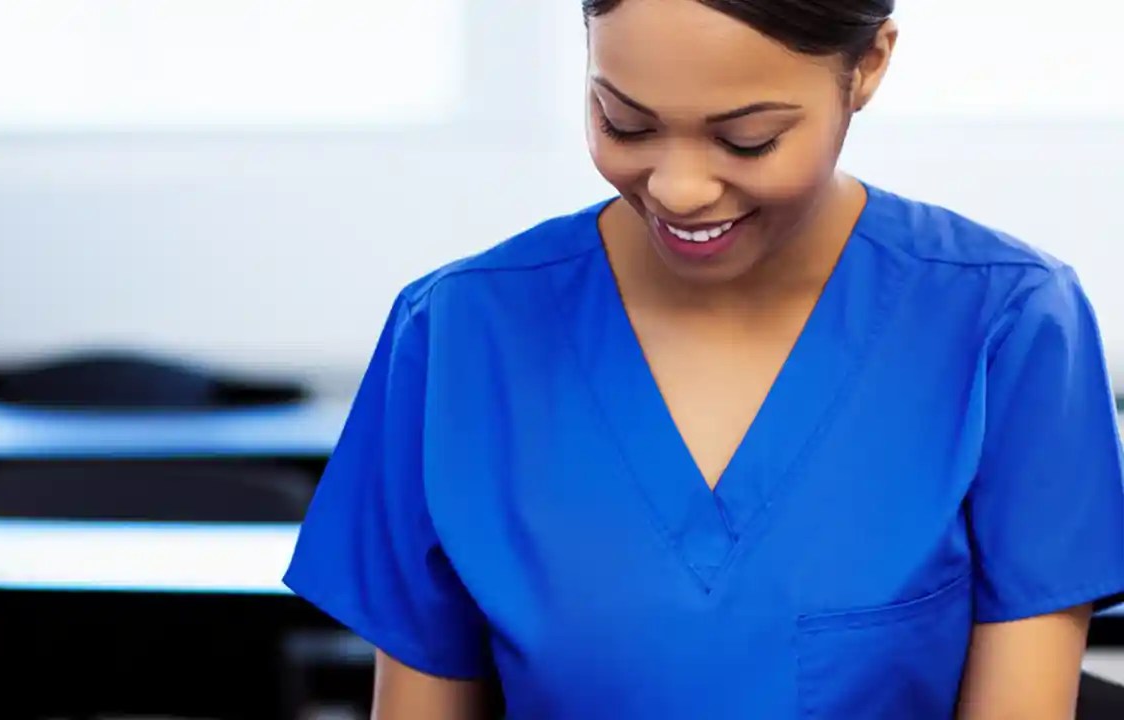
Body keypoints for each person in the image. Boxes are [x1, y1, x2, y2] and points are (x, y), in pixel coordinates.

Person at [285, 0, 1124, 717]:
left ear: (868, 66)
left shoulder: (1007, 324)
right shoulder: (458, 334)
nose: (679, 188)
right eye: (624, 122)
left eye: (748, 139)